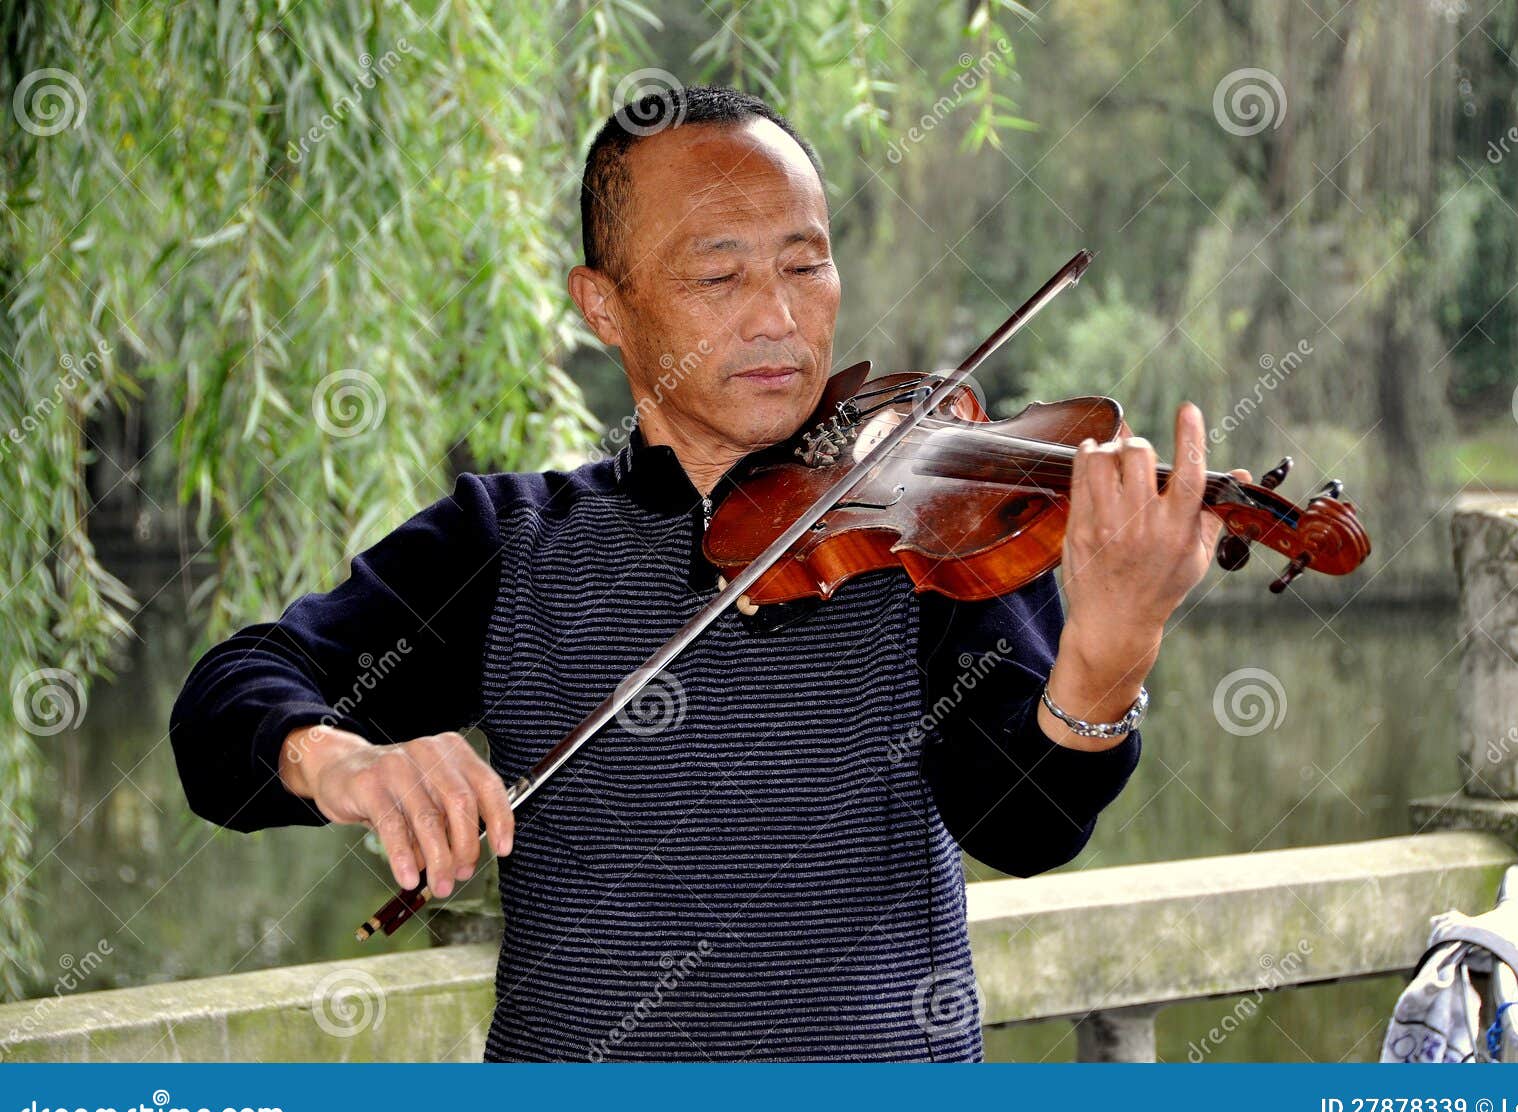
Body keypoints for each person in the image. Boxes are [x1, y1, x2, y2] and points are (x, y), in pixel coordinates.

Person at [170, 85, 1245, 1062]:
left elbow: (1023, 825)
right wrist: (337, 759)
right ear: (605, 307)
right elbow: (227, 707)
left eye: (805, 262)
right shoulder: (513, 539)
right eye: (719, 274)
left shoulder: (927, 525)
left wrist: (1108, 653)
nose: (778, 317)